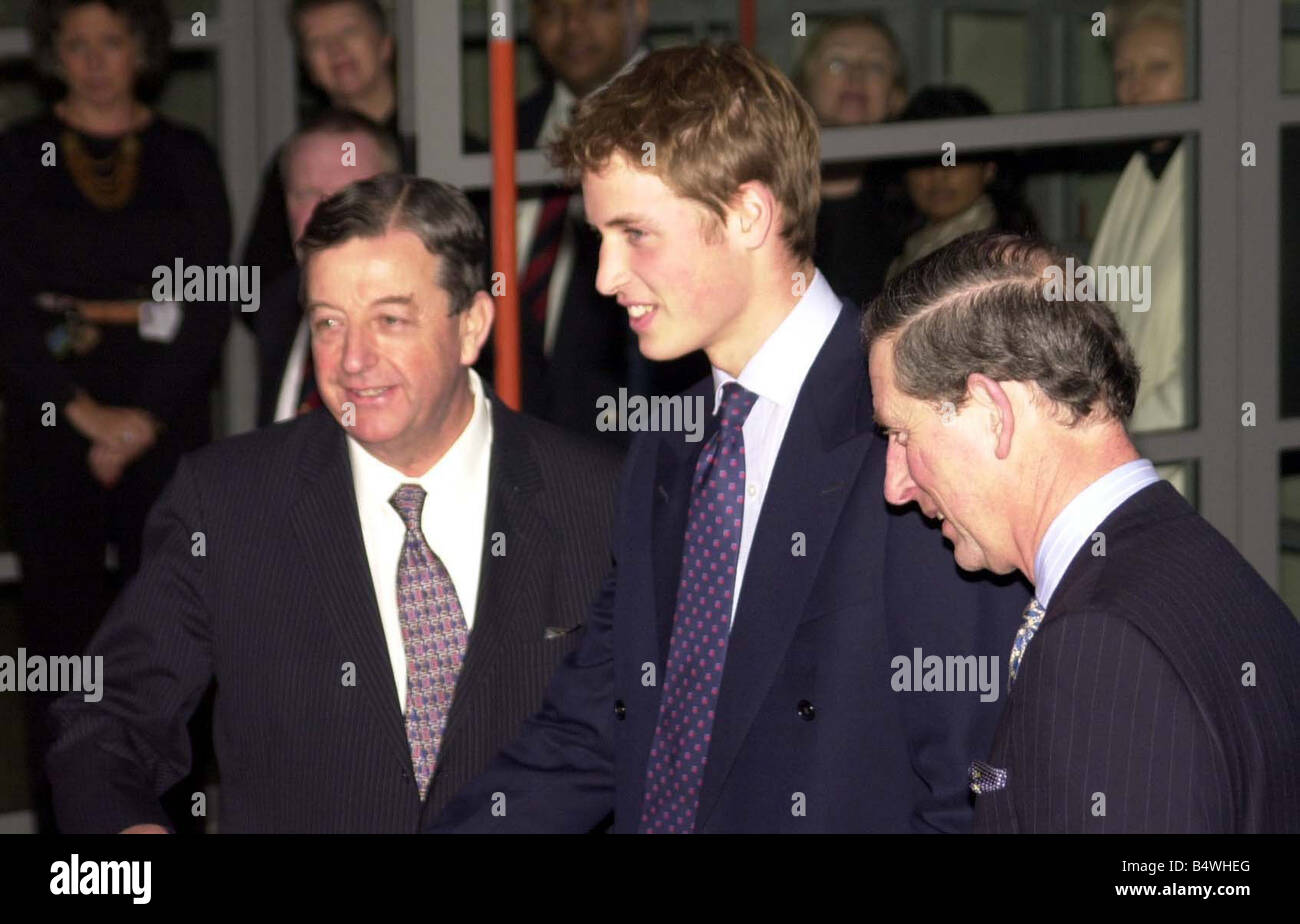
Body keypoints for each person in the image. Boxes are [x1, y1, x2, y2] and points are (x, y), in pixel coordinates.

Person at [430, 43, 1027, 834]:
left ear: (749, 214)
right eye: (599, 236)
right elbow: (594, 728)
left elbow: (970, 790)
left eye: (635, 234)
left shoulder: (912, 430)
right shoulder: (673, 446)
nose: (606, 275)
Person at [46, 176, 623, 833]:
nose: (353, 359)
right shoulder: (229, 503)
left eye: (390, 319)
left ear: (472, 327)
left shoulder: (601, 500)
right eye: (328, 322)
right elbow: (105, 717)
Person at [864, 231, 1300, 833]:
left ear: (993, 413)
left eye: (902, 436)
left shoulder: (1103, 643)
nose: (896, 485)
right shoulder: (1206, 567)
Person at [0, 0, 231, 831]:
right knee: (60, 646)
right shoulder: (19, 154)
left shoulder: (184, 153)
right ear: (53, 56)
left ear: (145, 49)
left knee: (170, 632)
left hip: (166, 423)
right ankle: (73, 835)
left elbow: (208, 299)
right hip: (50, 421)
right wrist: (83, 416)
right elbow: (4, 308)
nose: (96, 61)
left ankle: (163, 819)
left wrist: (143, 419)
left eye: (113, 42)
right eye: (77, 44)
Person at [476, 0, 706, 443]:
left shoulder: (690, 122)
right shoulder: (509, 127)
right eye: (550, 11)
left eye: (595, 6)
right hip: (512, 429)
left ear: (638, 11)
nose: (572, 25)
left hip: (652, 428)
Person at [241, 0, 414, 288]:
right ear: (306, 65)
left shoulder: (437, 148)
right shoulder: (298, 160)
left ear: (385, 43)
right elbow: (260, 278)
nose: (336, 49)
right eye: (317, 41)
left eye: (348, 31)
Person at [254, 108, 402, 426]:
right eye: (306, 194)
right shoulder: (278, 308)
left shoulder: (431, 322)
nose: (323, 212)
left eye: (348, 195)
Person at [1090, 0, 1188, 434]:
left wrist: (1131, 453)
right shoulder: (1137, 175)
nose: (1137, 88)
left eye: (1158, 68)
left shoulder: (1235, 176)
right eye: (1124, 74)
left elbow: (1212, 369)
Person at [794, 13, 909, 307]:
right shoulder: (769, 203)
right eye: (837, 62)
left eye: (875, 66)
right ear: (803, 88)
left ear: (896, 96)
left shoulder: (916, 209)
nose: (856, 76)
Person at [887, 86, 1038, 279]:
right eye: (924, 161)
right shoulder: (897, 247)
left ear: (989, 168)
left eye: (954, 158)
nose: (939, 174)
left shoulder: (1008, 254)